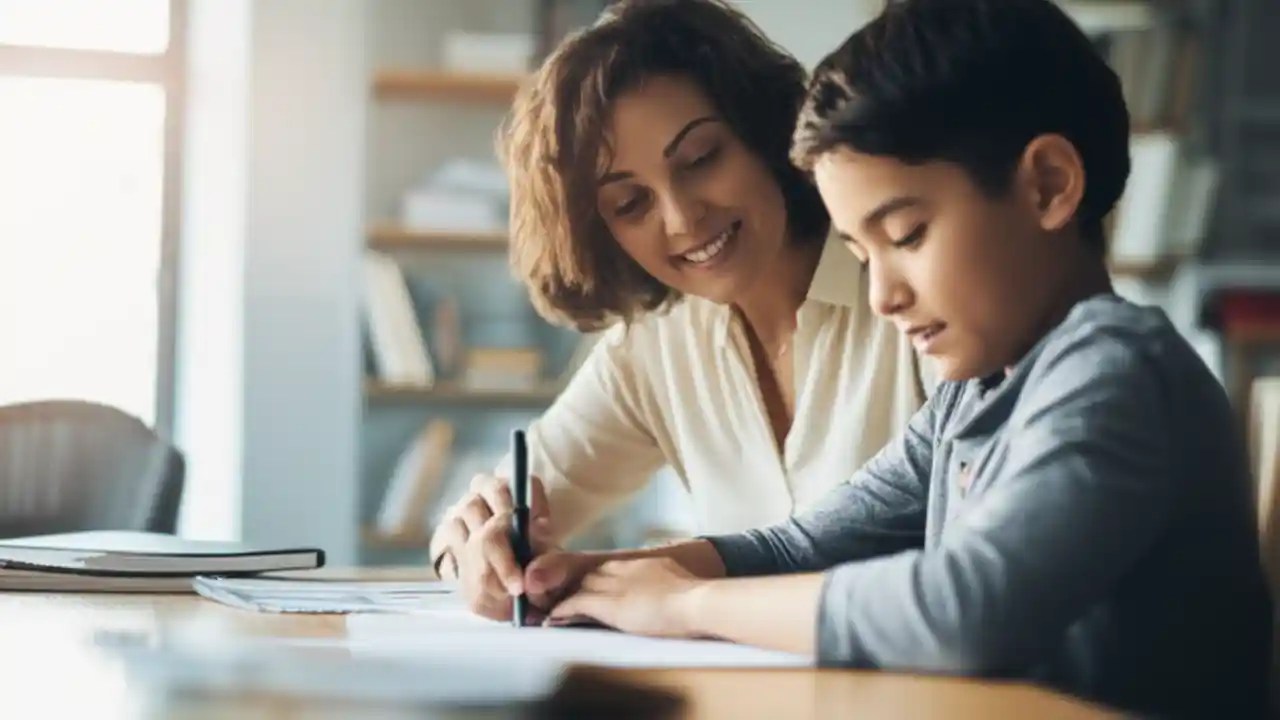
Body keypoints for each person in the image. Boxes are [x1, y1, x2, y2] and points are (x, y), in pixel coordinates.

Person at [524, 0, 1273, 716]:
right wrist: (626, 578)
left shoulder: (1117, 375)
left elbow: (963, 610)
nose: (881, 296)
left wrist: (685, 606)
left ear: (1048, 186)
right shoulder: (975, 394)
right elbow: (807, 543)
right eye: (859, 251)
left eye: (907, 235)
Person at [430, 0, 934, 621]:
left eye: (700, 160)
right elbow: (511, 499)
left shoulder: (910, 289)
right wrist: (469, 549)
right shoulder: (653, 344)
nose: (682, 217)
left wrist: (683, 596)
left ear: (763, 135)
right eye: (630, 203)